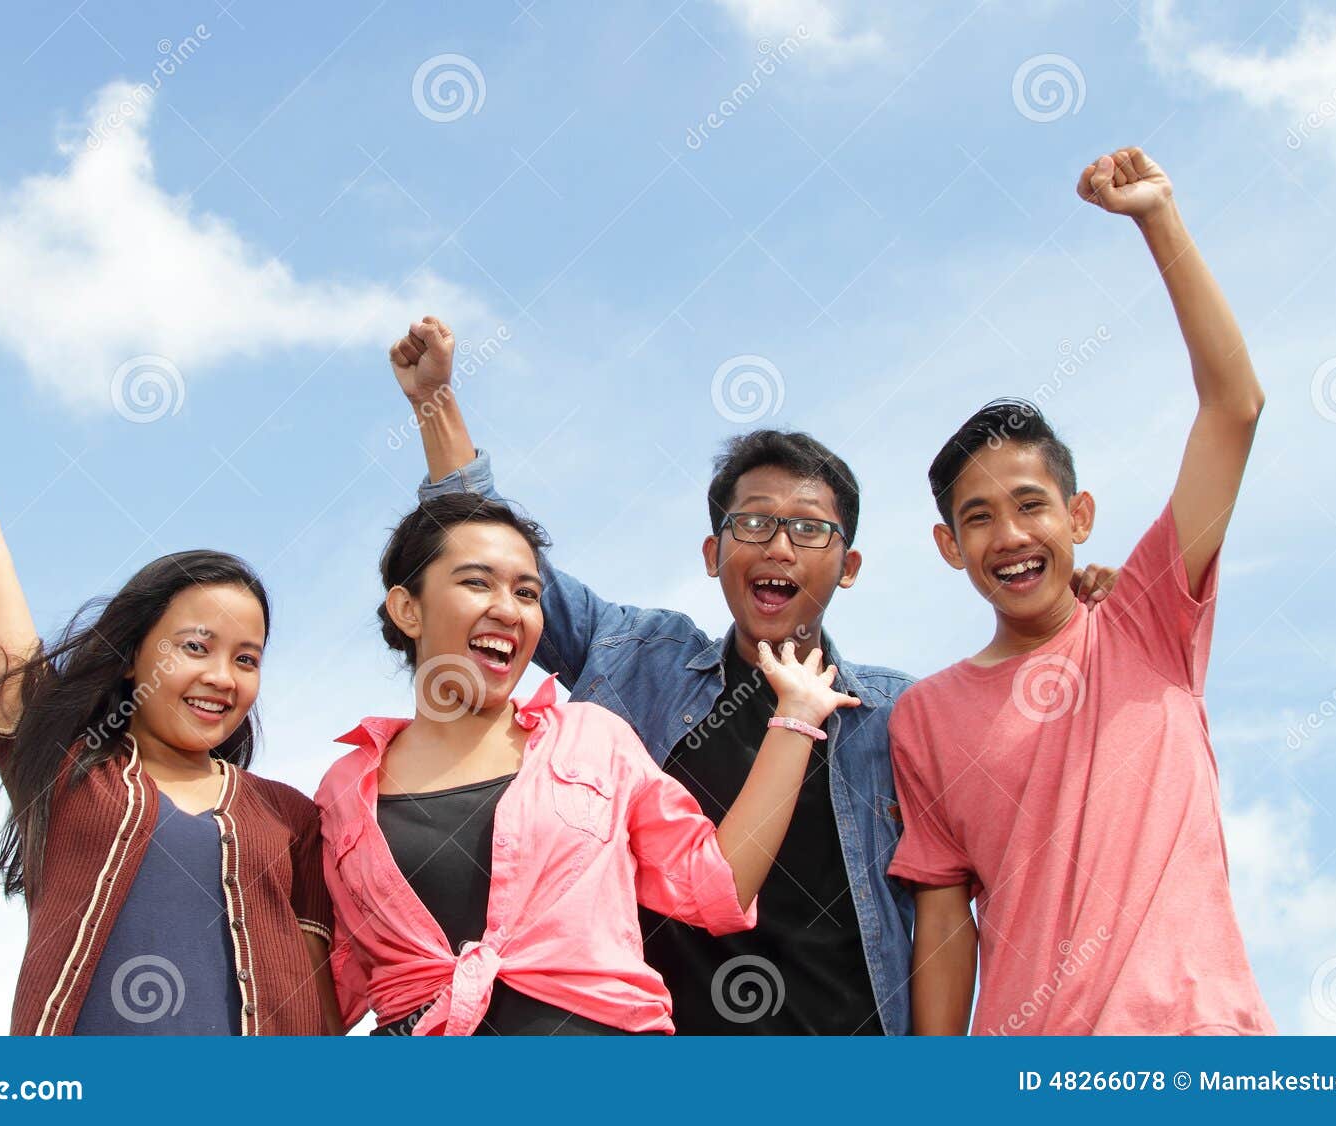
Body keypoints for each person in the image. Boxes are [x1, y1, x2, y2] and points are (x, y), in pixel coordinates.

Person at [375, 318, 1116, 1035]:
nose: (780, 546)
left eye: (811, 528)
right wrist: (437, 402)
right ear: (712, 552)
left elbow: (958, 891)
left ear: (848, 567)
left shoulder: (901, 715)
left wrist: (1082, 616)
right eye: (754, 523)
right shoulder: (639, 660)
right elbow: (495, 559)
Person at [887, 148, 1274, 1035]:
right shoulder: (924, 716)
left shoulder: (1148, 618)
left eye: (1032, 506)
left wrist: (1156, 218)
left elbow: (1235, 408)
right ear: (949, 547)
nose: (1012, 536)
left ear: (1081, 515)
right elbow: (947, 924)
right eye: (979, 518)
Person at [317, 493, 859, 1034]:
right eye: (477, 582)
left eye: (527, 592)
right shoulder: (344, 790)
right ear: (408, 609)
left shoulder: (594, 740)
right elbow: (324, 978)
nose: (508, 609)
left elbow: (714, 887)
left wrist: (795, 719)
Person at [0, 367, 337, 1035]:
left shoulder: (290, 817)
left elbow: (319, 1002)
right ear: (135, 656)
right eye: (196, 646)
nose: (224, 675)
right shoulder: (64, 769)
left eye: (246, 658)